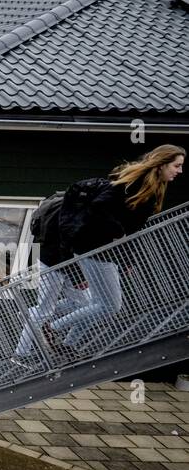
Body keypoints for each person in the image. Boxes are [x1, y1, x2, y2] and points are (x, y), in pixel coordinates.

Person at [14, 145, 184, 359]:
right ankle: (52, 329)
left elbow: (133, 230)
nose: (179, 171)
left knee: (91, 304)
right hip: (96, 252)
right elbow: (98, 209)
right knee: (109, 305)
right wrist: (117, 231)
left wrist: (127, 260)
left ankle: (65, 343)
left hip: (104, 253)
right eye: (176, 166)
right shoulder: (131, 185)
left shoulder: (151, 188)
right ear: (160, 165)